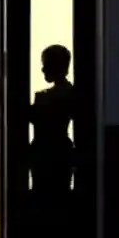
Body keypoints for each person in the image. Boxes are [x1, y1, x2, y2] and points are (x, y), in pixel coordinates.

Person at [29, 44, 75, 199]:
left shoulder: (48, 97)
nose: (42, 70)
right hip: (59, 151)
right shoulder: (69, 93)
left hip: (48, 153)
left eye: (46, 65)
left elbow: (36, 117)